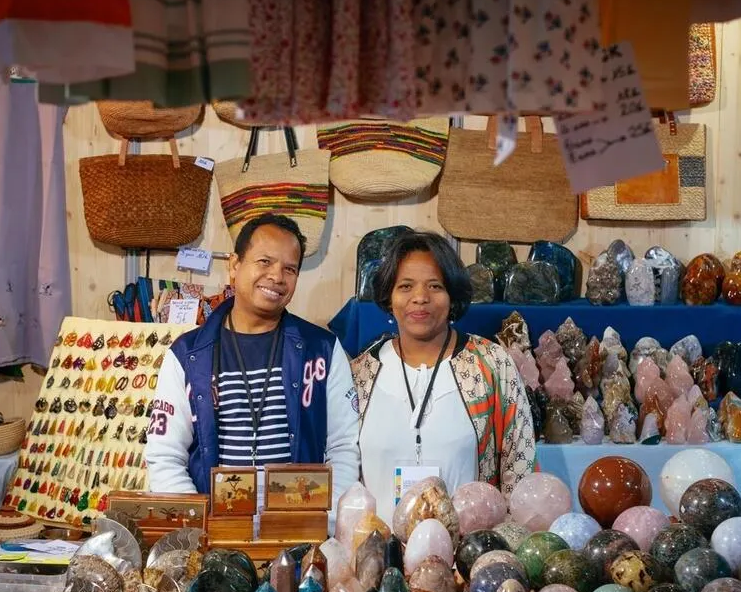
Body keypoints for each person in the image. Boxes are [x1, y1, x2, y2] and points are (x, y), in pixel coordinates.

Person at [145, 214, 360, 518]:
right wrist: (199, 529)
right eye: (264, 262)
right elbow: (165, 455)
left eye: (290, 269)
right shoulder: (188, 355)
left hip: (299, 532)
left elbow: (343, 447)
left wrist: (324, 523)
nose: (277, 276)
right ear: (234, 266)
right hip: (214, 534)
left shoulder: (321, 349)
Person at [350, 231, 537, 524]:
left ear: (453, 296)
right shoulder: (360, 374)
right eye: (406, 286)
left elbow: (520, 464)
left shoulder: (492, 364)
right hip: (379, 557)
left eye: (435, 286)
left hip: (467, 557)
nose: (420, 298)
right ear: (389, 297)